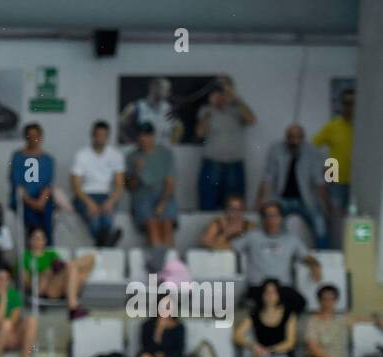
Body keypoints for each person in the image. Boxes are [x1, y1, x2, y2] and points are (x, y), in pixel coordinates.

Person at [231, 202, 322, 311]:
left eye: (274, 215)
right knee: (250, 306)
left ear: (281, 218)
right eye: (267, 216)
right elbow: (231, 246)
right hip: (258, 286)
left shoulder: (291, 239)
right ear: (262, 219)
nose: (271, 219)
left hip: (283, 287)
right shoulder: (252, 236)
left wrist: (315, 264)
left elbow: (306, 256)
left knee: (300, 303)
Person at [257, 125, 330, 249]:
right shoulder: (276, 150)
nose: (294, 141)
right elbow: (268, 178)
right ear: (286, 138)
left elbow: (319, 181)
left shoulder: (311, 152)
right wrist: (260, 201)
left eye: (298, 138)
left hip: (306, 200)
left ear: (303, 138)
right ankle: (273, 251)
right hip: (281, 199)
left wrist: (327, 205)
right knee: (270, 221)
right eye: (291, 137)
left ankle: (322, 255)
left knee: (320, 223)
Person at [195, 75, 255, 211]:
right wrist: (211, 107)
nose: (222, 92)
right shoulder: (206, 110)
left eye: (225, 88)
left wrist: (235, 99)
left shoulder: (238, 109)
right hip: (212, 163)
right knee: (207, 204)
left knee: (235, 208)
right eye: (219, 88)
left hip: (234, 164)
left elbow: (252, 120)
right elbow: (200, 133)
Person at [234, 279, 299, 357]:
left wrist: (269, 351)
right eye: (267, 292)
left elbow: (290, 343)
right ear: (262, 294)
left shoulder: (289, 314)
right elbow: (237, 335)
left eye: (273, 292)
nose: (270, 296)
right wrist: (254, 346)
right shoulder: (255, 314)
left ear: (279, 294)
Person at [70, 120, 125, 247]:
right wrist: (89, 203)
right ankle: (108, 242)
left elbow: (119, 184)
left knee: (106, 220)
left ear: (108, 137)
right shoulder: (81, 155)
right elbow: (76, 185)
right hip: (85, 195)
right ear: (92, 135)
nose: (101, 138)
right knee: (94, 221)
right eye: (98, 135)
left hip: (106, 195)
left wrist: (110, 201)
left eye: (104, 135)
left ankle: (103, 242)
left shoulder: (116, 155)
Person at [19, 226, 94, 319]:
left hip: (62, 284)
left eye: (41, 238)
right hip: (45, 288)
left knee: (89, 258)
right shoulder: (25, 257)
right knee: (72, 268)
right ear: (30, 240)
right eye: (35, 238)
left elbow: (64, 271)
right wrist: (45, 274)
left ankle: (73, 306)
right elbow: (26, 283)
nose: (38, 241)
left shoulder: (51, 254)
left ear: (45, 240)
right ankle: (73, 307)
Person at [126, 122, 177, 249]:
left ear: (153, 136)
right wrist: (137, 172)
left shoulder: (165, 154)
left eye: (147, 136)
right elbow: (129, 187)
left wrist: (162, 203)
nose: (144, 139)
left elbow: (170, 182)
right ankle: (157, 266)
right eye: (141, 136)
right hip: (142, 196)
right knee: (152, 226)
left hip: (163, 194)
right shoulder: (132, 156)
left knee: (167, 225)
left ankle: (171, 266)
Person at [314, 87, 355, 231]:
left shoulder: (364, 126)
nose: (349, 106)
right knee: (334, 215)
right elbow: (312, 147)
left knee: (354, 218)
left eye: (353, 103)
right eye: (346, 103)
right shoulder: (333, 126)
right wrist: (322, 167)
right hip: (334, 174)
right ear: (341, 105)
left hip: (358, 179)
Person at [8, 123, 55, 242]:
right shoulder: (18, 157)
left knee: (47, 220)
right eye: (30, 136)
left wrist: (41, 201)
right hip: (23, 199)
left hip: (42, 200)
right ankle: (32, 252)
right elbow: (17, 183)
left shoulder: (48, 159)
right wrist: (31, 202)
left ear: (41, 137)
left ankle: (48, 251)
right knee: (32, 221)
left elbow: (47, 184)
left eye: (36, 135)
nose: (33, 139)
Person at [302, 284, 353, 357]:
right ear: (319, 301)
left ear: (336, 300)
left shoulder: (341, 319)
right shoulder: (313, 321)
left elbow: (362, 320)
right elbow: (313, 348)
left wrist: (377, 319)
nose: (328, 302)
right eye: (324, 299)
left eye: (331, 299)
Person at [139, 290, 185, 357]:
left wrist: (165, 356)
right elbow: (145, 348)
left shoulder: (179, 327)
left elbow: (179, 350)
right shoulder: (147, 326)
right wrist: (158, 332)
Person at [119, 77, 181, 145]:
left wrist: (173, 143)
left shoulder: (169, 108)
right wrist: (131, 143)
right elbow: (119, 126)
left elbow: (179, 127)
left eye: (169, 90)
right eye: (165, 89)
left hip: (163, 150)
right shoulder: (135, 107)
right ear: (153, 88)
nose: (169, 92)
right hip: (144, 151)